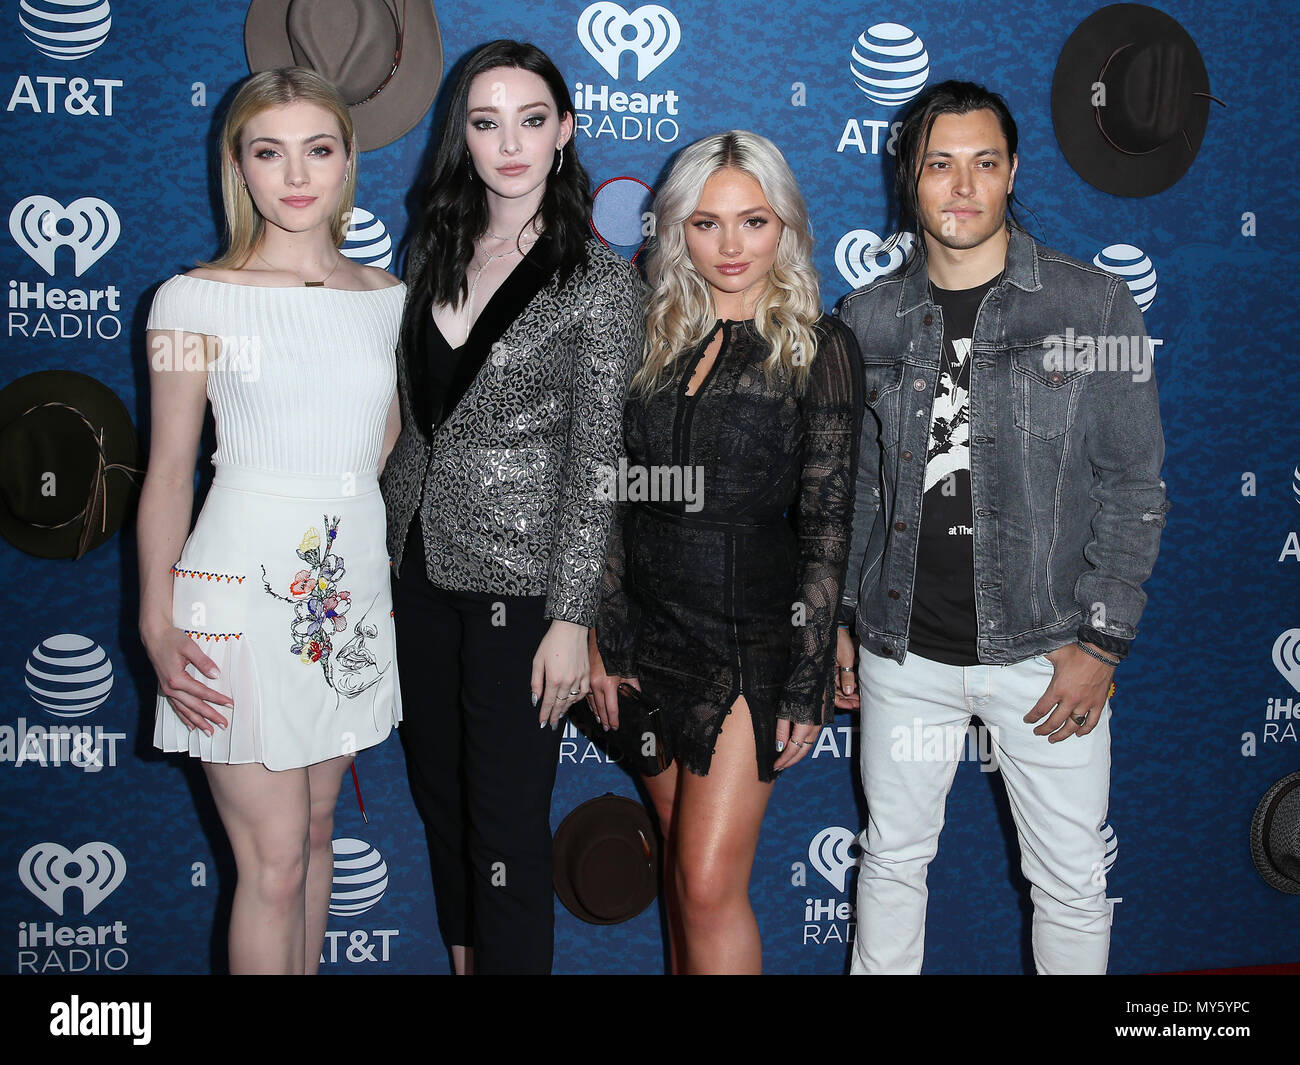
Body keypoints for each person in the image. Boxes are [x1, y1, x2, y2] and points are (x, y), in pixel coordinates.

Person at [836, 81, 1169, 974]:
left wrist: (1101, 642)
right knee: (893, 859)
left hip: (1047, 652)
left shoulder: (1092, 309)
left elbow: (1135, 482)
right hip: (903, 652)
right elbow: (860, 486)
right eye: (940, 164)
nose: (963, 186)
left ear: (1012, 171)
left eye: (985, 163)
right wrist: (843, 617)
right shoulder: (866, 318)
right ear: (910, 177)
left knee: (1069, 879)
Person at [381, 39, 643, 975]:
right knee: (440, 799)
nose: (510, 144)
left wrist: (571, 616)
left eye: (532, 120)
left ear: (565, 132)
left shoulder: (600, 283)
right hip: (410, 567)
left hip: (520, 586)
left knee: (506, 825)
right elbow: (409, 421)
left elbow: (596, 464)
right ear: (465, 135)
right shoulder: (432, 248)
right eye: (487, 123)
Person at [138, 67, 405, 975]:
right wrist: (155, 619)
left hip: (343, 595)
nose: (296, 175)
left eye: (317, 149)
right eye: (269, 151)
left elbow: (380, 444)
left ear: (347, 160)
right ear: (238, 167)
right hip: (233, 602)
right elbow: (170, 473)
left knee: (321, 829)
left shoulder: (388, 300)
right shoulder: (187, 300)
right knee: (275, 859)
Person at [591, 131, 863, 974]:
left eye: (753, 220)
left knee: (708, 882)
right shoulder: (644, 337)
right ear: (676, 228)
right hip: (644, 639)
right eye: (707, 224)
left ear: (785, 224)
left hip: (749, 641)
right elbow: (605, 493)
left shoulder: (821, 350)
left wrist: (810, 678)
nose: (732, 245)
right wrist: (600, 639)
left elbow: (825, 529)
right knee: (682, 867)